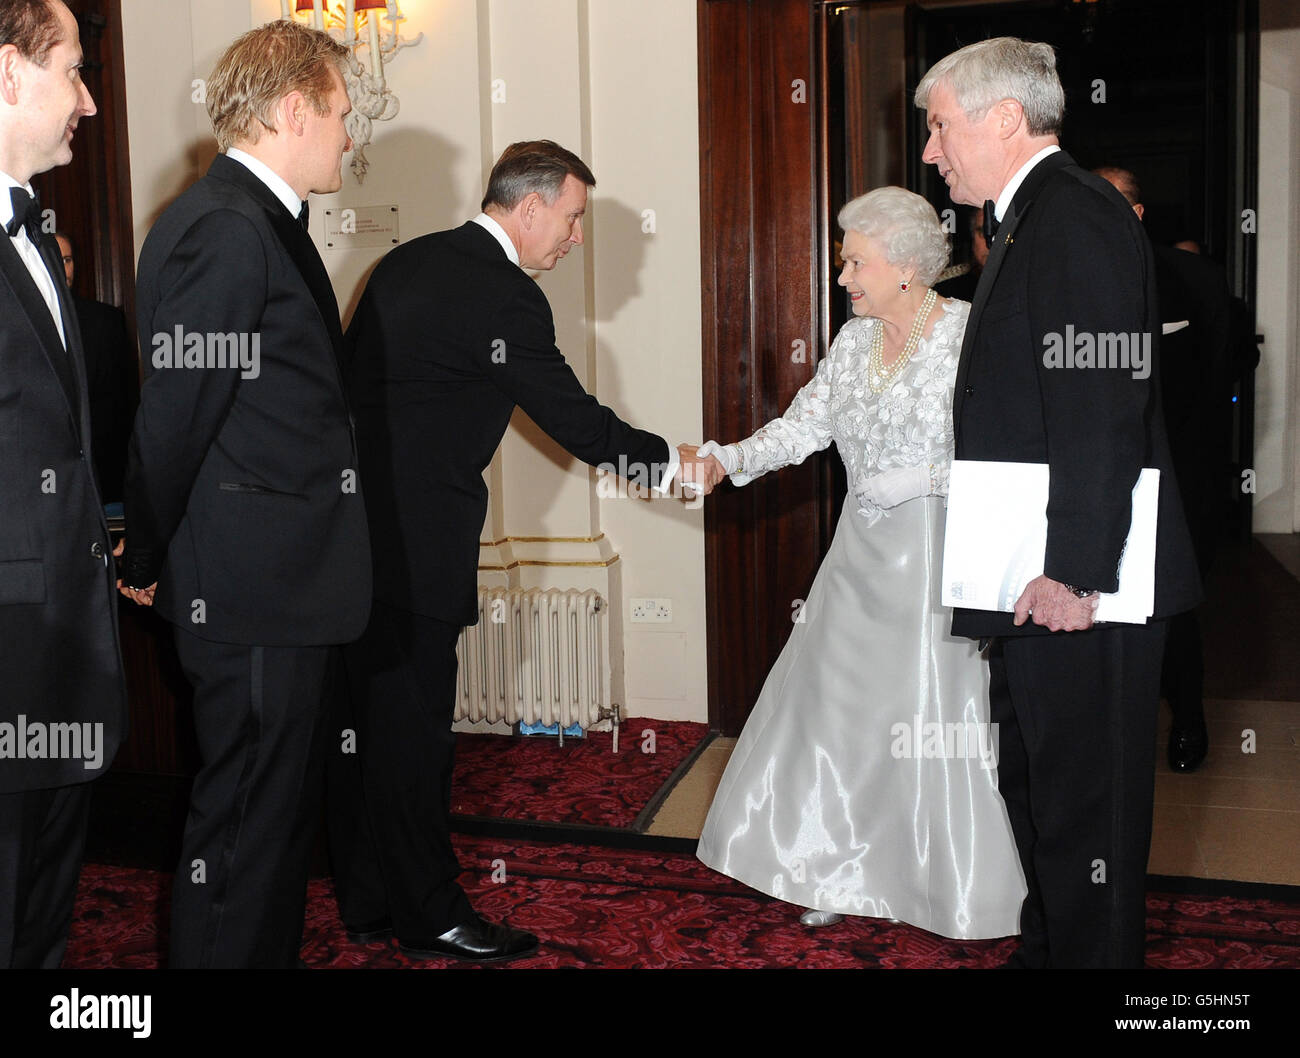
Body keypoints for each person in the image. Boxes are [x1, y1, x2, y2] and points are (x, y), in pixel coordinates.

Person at [328, 139, 714, 963]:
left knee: (366, 733)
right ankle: (431, 914)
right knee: (417, 742)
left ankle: (367, 902)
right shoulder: (504, 297)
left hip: (350, 542)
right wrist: (671, 467)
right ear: (529, 204)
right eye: (572, 218)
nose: (574, 238)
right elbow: (574, 420)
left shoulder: (404, 265)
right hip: (418, 550)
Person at [916, 37, 1200, 968]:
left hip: (1076, 586)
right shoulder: (1032, 215)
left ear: (1004, 119)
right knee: (1043, 797)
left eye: (940, 125)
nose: (930, 150)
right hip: (1032, 574)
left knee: (1088, 824)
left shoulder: (1070, 216)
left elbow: (1101, 402)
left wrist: (1077, 573)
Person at [693, 186, 1026, 940]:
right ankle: (833, 864)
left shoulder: (967, 334)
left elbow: (1010, 446)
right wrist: (723, 460)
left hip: (939, 558)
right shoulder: (851, 343)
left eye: (853, 260)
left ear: (905, 265)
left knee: (928, 716)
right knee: (840, 713)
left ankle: (941, 881)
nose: (842, 275)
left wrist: (928, 477)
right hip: (859, 559)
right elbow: (799, 431)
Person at [118, 20, 371, 968]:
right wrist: (143, 555)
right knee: (242, 837)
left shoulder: (252, 219)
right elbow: (174, 419)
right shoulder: (225, 228)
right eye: (341, 115)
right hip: (253, 587)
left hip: (279, 583)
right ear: (292, 109)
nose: (350, 135)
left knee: (267, 833)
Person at [0, 0, 125, 968]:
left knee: (44, 920)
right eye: (72, 71)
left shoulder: (34, 233)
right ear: (8, 74)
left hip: (62, 649)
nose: (88, 99)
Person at [1095, 166, 1234, 773]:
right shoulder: (1069, 280)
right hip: (1096, 479)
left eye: (1115, 201)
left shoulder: (1194, 279)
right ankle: (1109, 735)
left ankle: (1189, 721)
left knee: (1173, 609)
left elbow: (1219, 382)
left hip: (1179, 477)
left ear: (1139, 211)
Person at [55, 229, 136, 504]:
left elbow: (126, 409)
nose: (63, 268)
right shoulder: (16, 326)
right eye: (53, 258)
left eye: (67, 259)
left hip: (106, 484)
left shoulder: (106, 322)